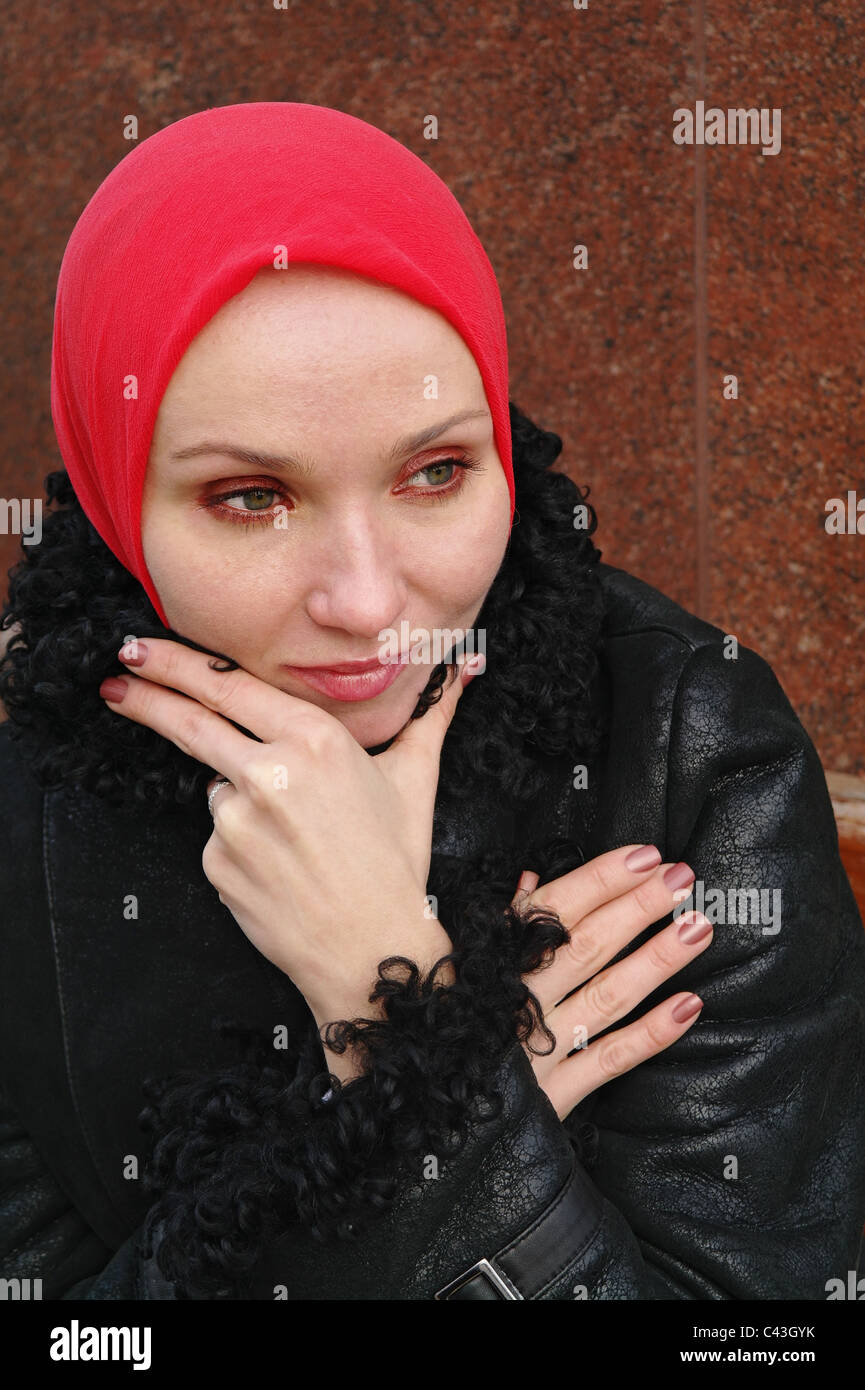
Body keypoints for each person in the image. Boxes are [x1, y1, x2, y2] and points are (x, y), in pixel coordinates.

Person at [0, 101, 863, 1302]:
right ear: (112, 489)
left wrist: (386, 1009)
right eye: (252, 495)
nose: (366, 601)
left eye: (435, 471)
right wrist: (439, 1096)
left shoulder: (683, 742)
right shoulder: (32, 804)